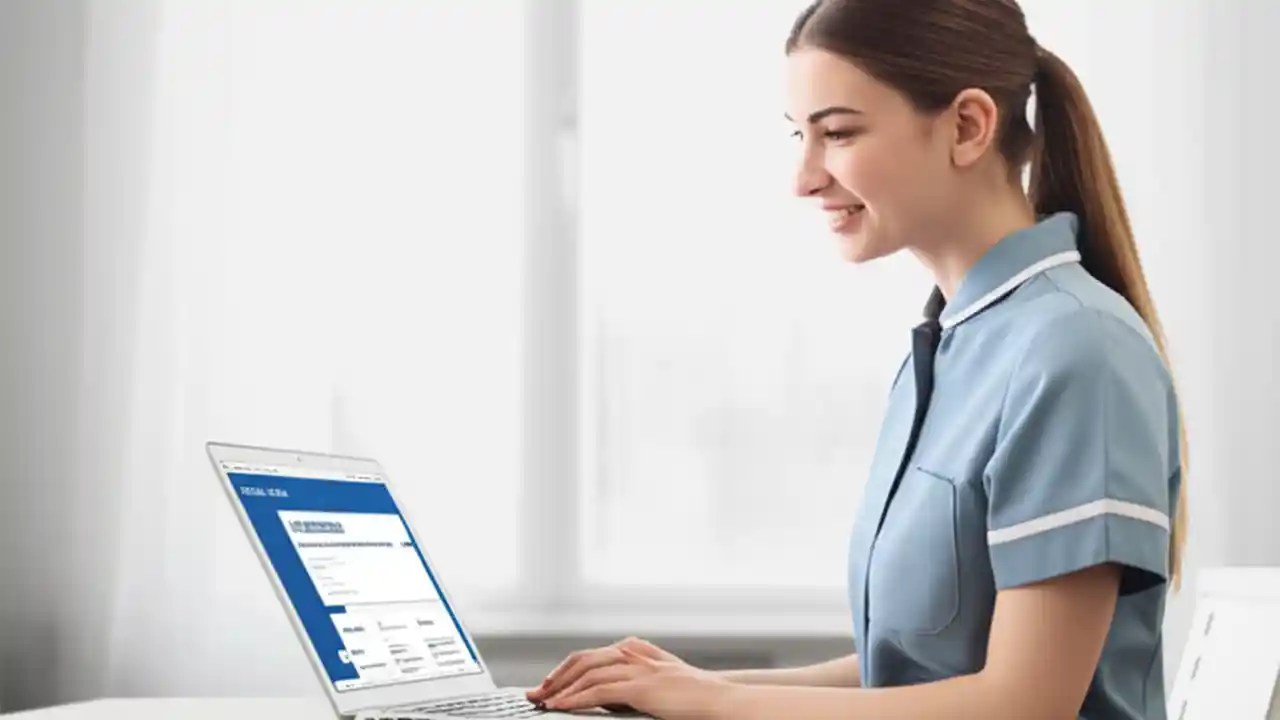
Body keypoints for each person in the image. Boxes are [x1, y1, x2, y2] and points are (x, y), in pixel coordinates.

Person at [525, 0, 1188, 717]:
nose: (803, 178)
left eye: (837, 133)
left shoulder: (1076, 349)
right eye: (798, 137)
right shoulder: (951, 351)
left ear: (967, 127)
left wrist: (718, 705)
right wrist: (694, 686)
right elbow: (911, 673)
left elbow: (1022, 703)